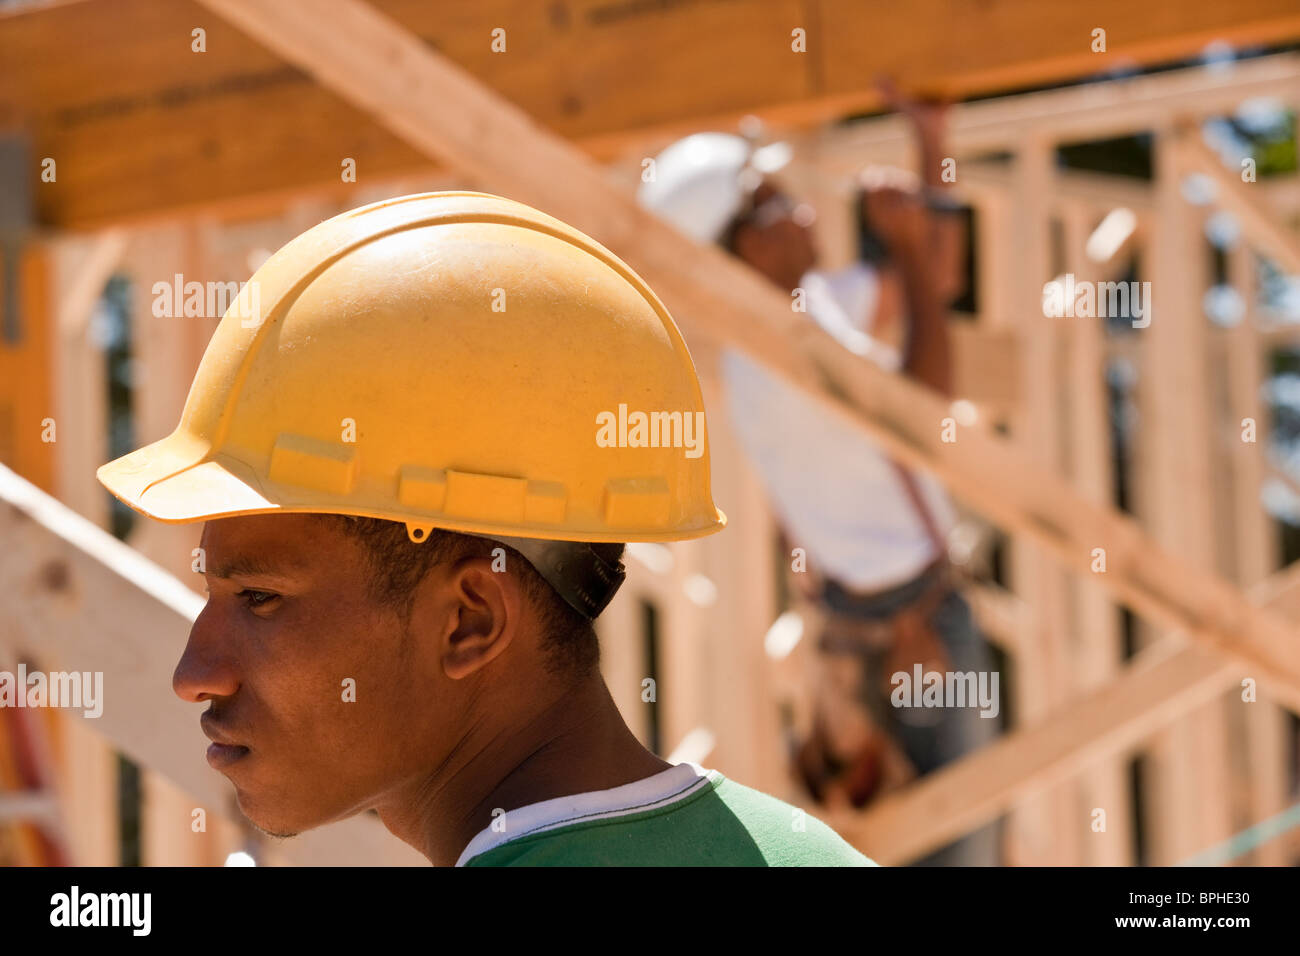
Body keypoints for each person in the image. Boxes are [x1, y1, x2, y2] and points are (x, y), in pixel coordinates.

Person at [96, 192, 875, 867]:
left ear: (469, 620)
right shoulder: (807, 852)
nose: (195, 672)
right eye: (213, 592)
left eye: (259, 597)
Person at [639, 86, 1002, 866]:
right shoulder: (785, 366)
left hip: (879, 620)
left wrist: (931, 145)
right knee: (957, 844)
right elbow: (929, 405)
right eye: (774, 204)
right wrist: (898, 241)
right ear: (736, 248)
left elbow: (933, 283)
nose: (803, 211)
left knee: (940, 834)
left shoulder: (803, 318)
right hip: (911, 623)